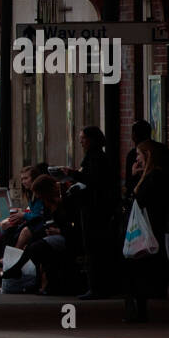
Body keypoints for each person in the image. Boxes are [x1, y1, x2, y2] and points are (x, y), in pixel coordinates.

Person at [55, 126, 117, 299]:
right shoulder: (94, 157)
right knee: (93, 247)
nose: (80, 141)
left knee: (94, 247)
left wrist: (74, 174)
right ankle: (96, 286)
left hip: (95, 208)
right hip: (92, 207)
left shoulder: (97, 158)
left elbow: (94, 180)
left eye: (83, 138)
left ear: (91, 139)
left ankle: (96, 287)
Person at [122, 140, 169, 322]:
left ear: (148, 155)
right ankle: (138, 311)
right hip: (150, 228)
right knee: (138, 271)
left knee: (135, 270)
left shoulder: (154, 177)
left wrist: (133, 178)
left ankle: (136, 312)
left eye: (139, 155)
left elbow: (138, 198)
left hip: (147, 229)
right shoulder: (158, 176)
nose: (137, 159)